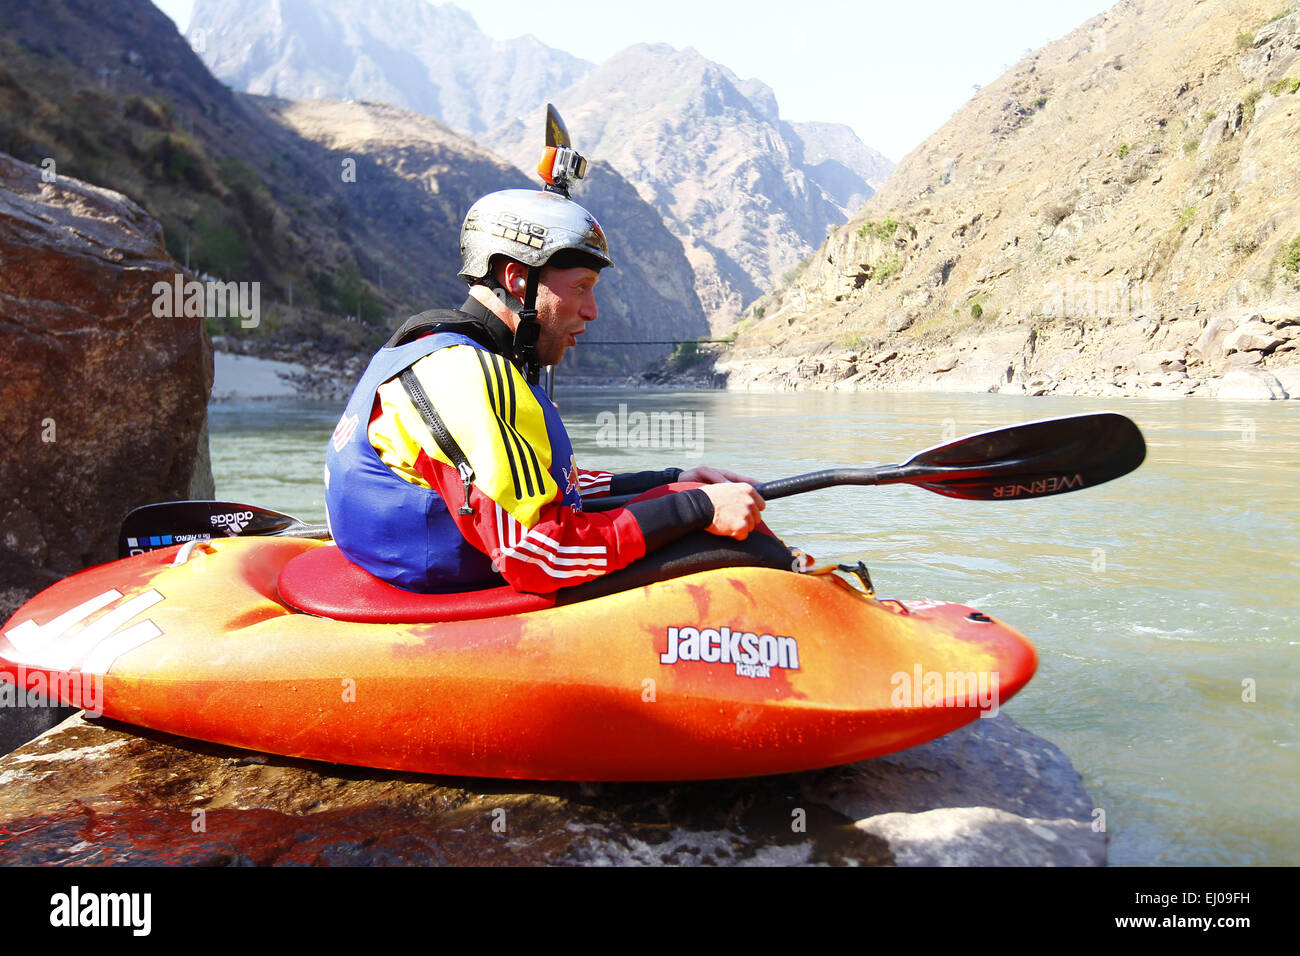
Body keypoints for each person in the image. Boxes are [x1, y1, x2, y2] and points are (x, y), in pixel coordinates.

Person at [323, 187, 769, 594]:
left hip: (422, 564)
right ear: (518, 280)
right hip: (435, 587)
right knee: (747, 553)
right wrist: (696, 510)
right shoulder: (460, 374)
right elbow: (537, 555)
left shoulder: (456, 355)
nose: (592, 311)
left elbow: (541, 487)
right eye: (581, 288)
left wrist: (676, 482)